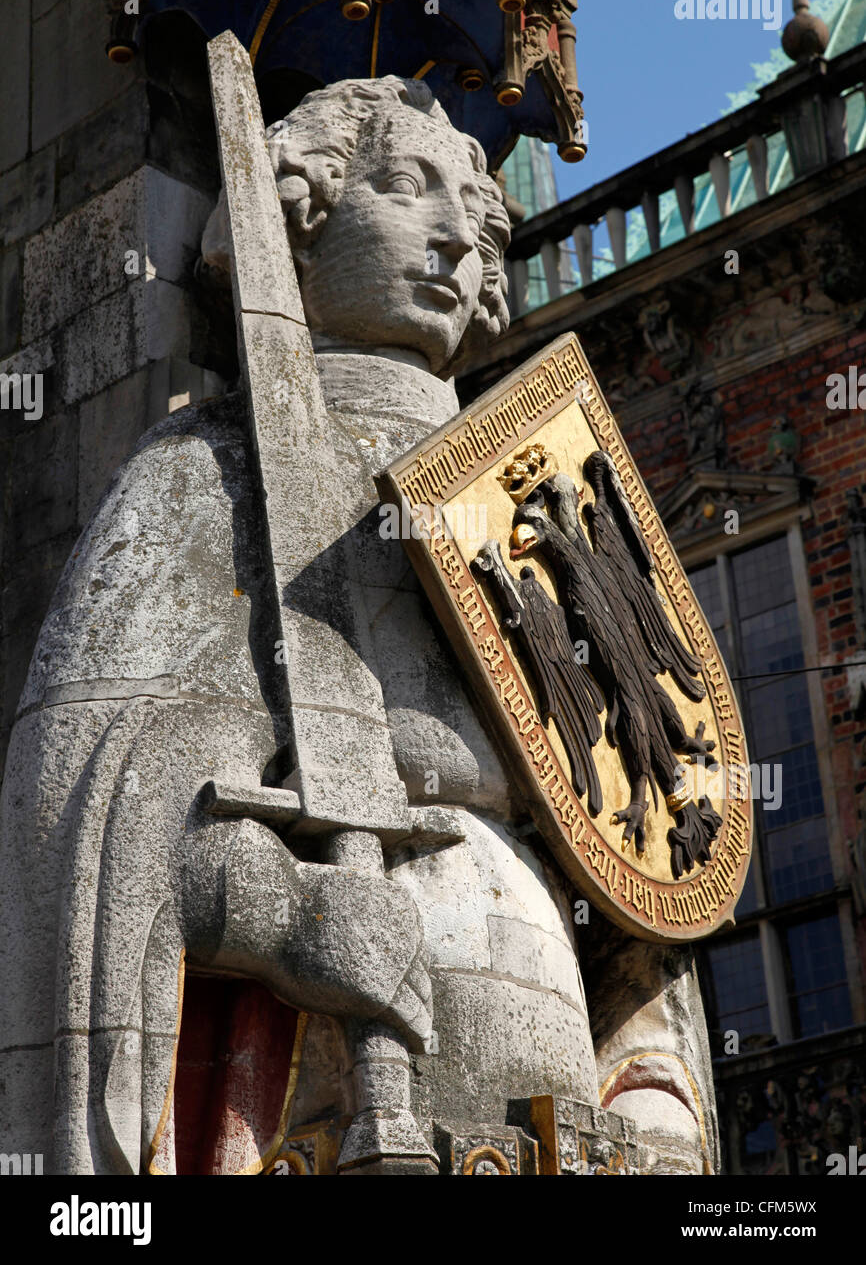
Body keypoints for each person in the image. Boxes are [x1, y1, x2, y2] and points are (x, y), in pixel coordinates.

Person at [0, 76, 717, 1174]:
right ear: (298, 213)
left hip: (580, 1123)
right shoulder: (207, 470)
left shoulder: (533, 496)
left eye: (470, 218)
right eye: (399, 187)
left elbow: (635, 856)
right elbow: (83, 796)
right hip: (325, 1104)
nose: (451, 238)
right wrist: (286, 913)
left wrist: (658, 1083)